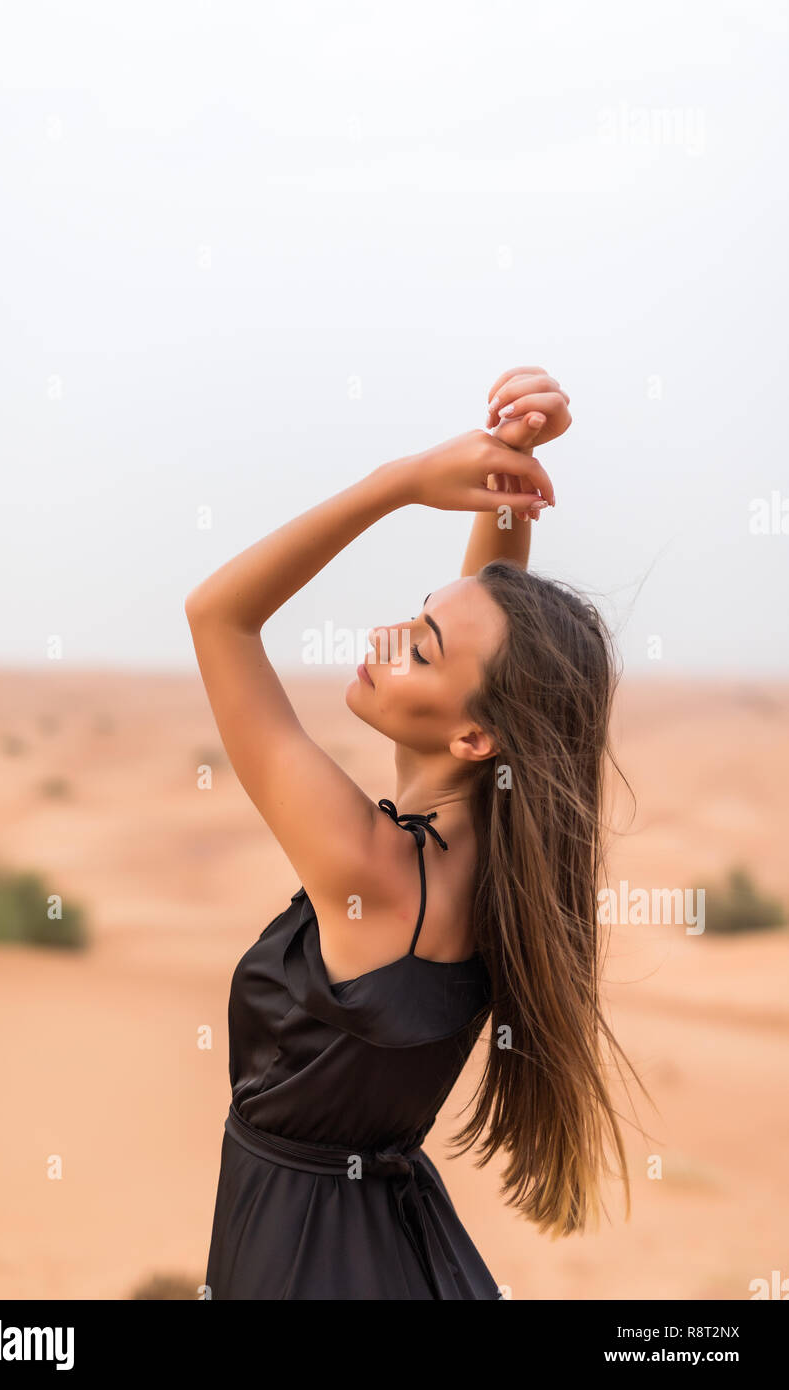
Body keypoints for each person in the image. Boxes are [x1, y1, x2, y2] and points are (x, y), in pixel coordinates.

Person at [186, 366, 637, 1299]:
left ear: (473, 737)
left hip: (301, 1262)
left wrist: (401, 482)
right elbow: (493, 616)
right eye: (419, 611)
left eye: (420, 647)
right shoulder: (495, 857)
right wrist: (511, 462)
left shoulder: (375, 870)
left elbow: (218, 617)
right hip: (389, 1241)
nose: (389, 637)